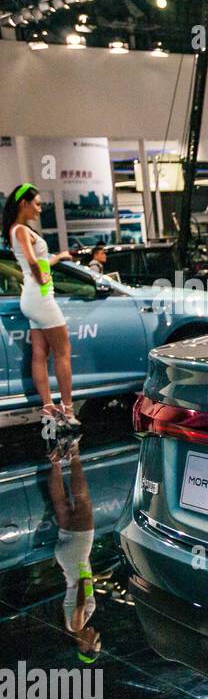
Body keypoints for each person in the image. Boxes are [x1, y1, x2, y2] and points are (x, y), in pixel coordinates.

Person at [2, 184, 79, 430]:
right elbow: (34, 262)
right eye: (36, 203)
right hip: (41, 298)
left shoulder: (16, 230)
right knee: (63, 352)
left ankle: (48, 406)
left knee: (40, 354)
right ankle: (68, 409)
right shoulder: (22, 230)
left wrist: (58, 258)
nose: (39, 208)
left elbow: (40, 261)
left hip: (33, 298)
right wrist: (41, 276)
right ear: (23, 203)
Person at [48, 439, 100, 663]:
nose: (97, 637)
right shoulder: (69, 624)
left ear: (83, 645)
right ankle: (56, 461)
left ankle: (75, 453)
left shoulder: (76, 625)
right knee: (62, 506)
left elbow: (80, 603)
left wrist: (86, 583)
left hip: (77, 561)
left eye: (95, 643)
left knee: (83, 503)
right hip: (66, 560)